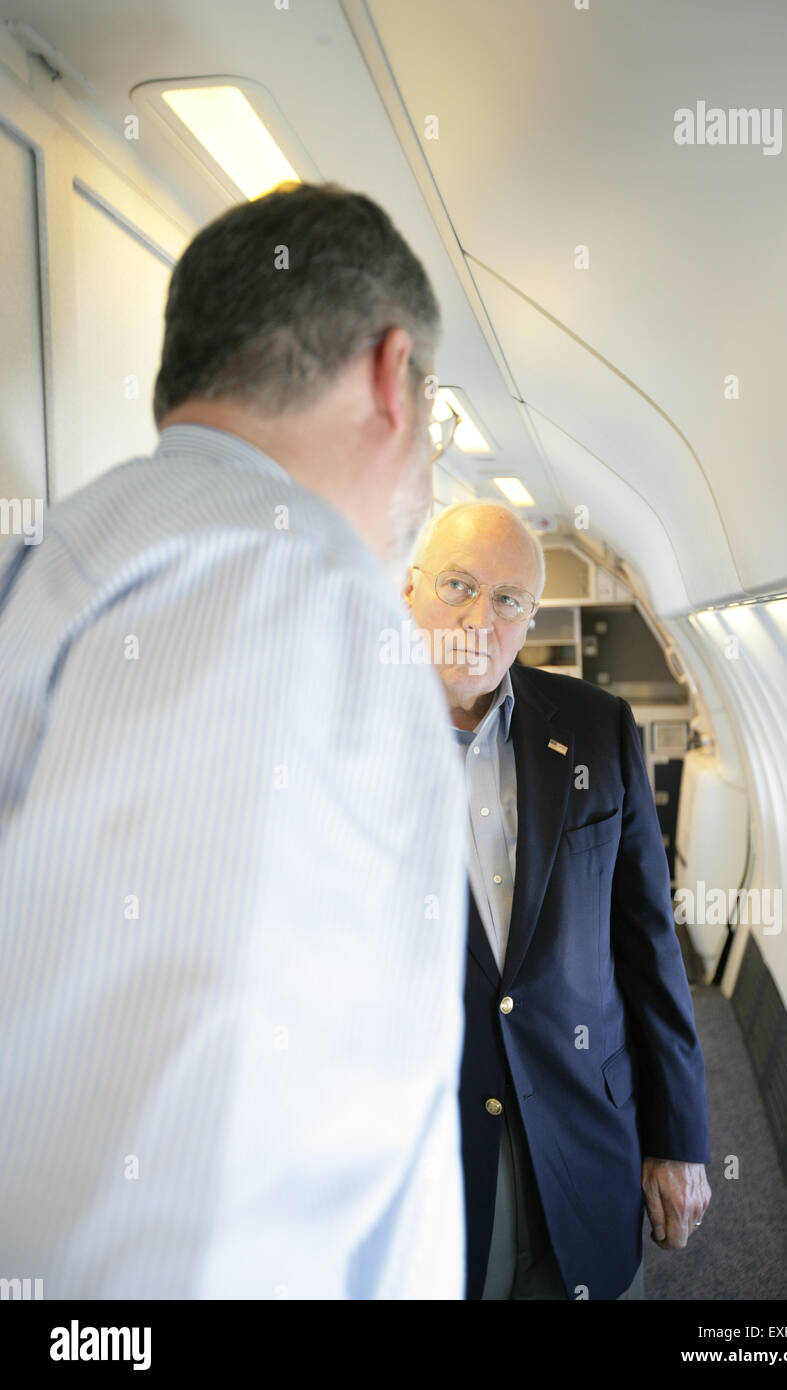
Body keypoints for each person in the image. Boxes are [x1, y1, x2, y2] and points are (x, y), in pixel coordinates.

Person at [0, 182, 468, 1299]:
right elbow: (190, 1187)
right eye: (435, 418)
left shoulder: (80, 549)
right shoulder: (286, 586)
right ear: (386, 375)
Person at [403, 499, 712, 1300]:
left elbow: (648, 944)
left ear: (530, 618)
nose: (481, 616)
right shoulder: (342, 742)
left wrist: (679, 1138)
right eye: (458, 585)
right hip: (429, 1146)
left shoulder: (597, 728)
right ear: (408, 593)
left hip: (587, 1122)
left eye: (509, 599)